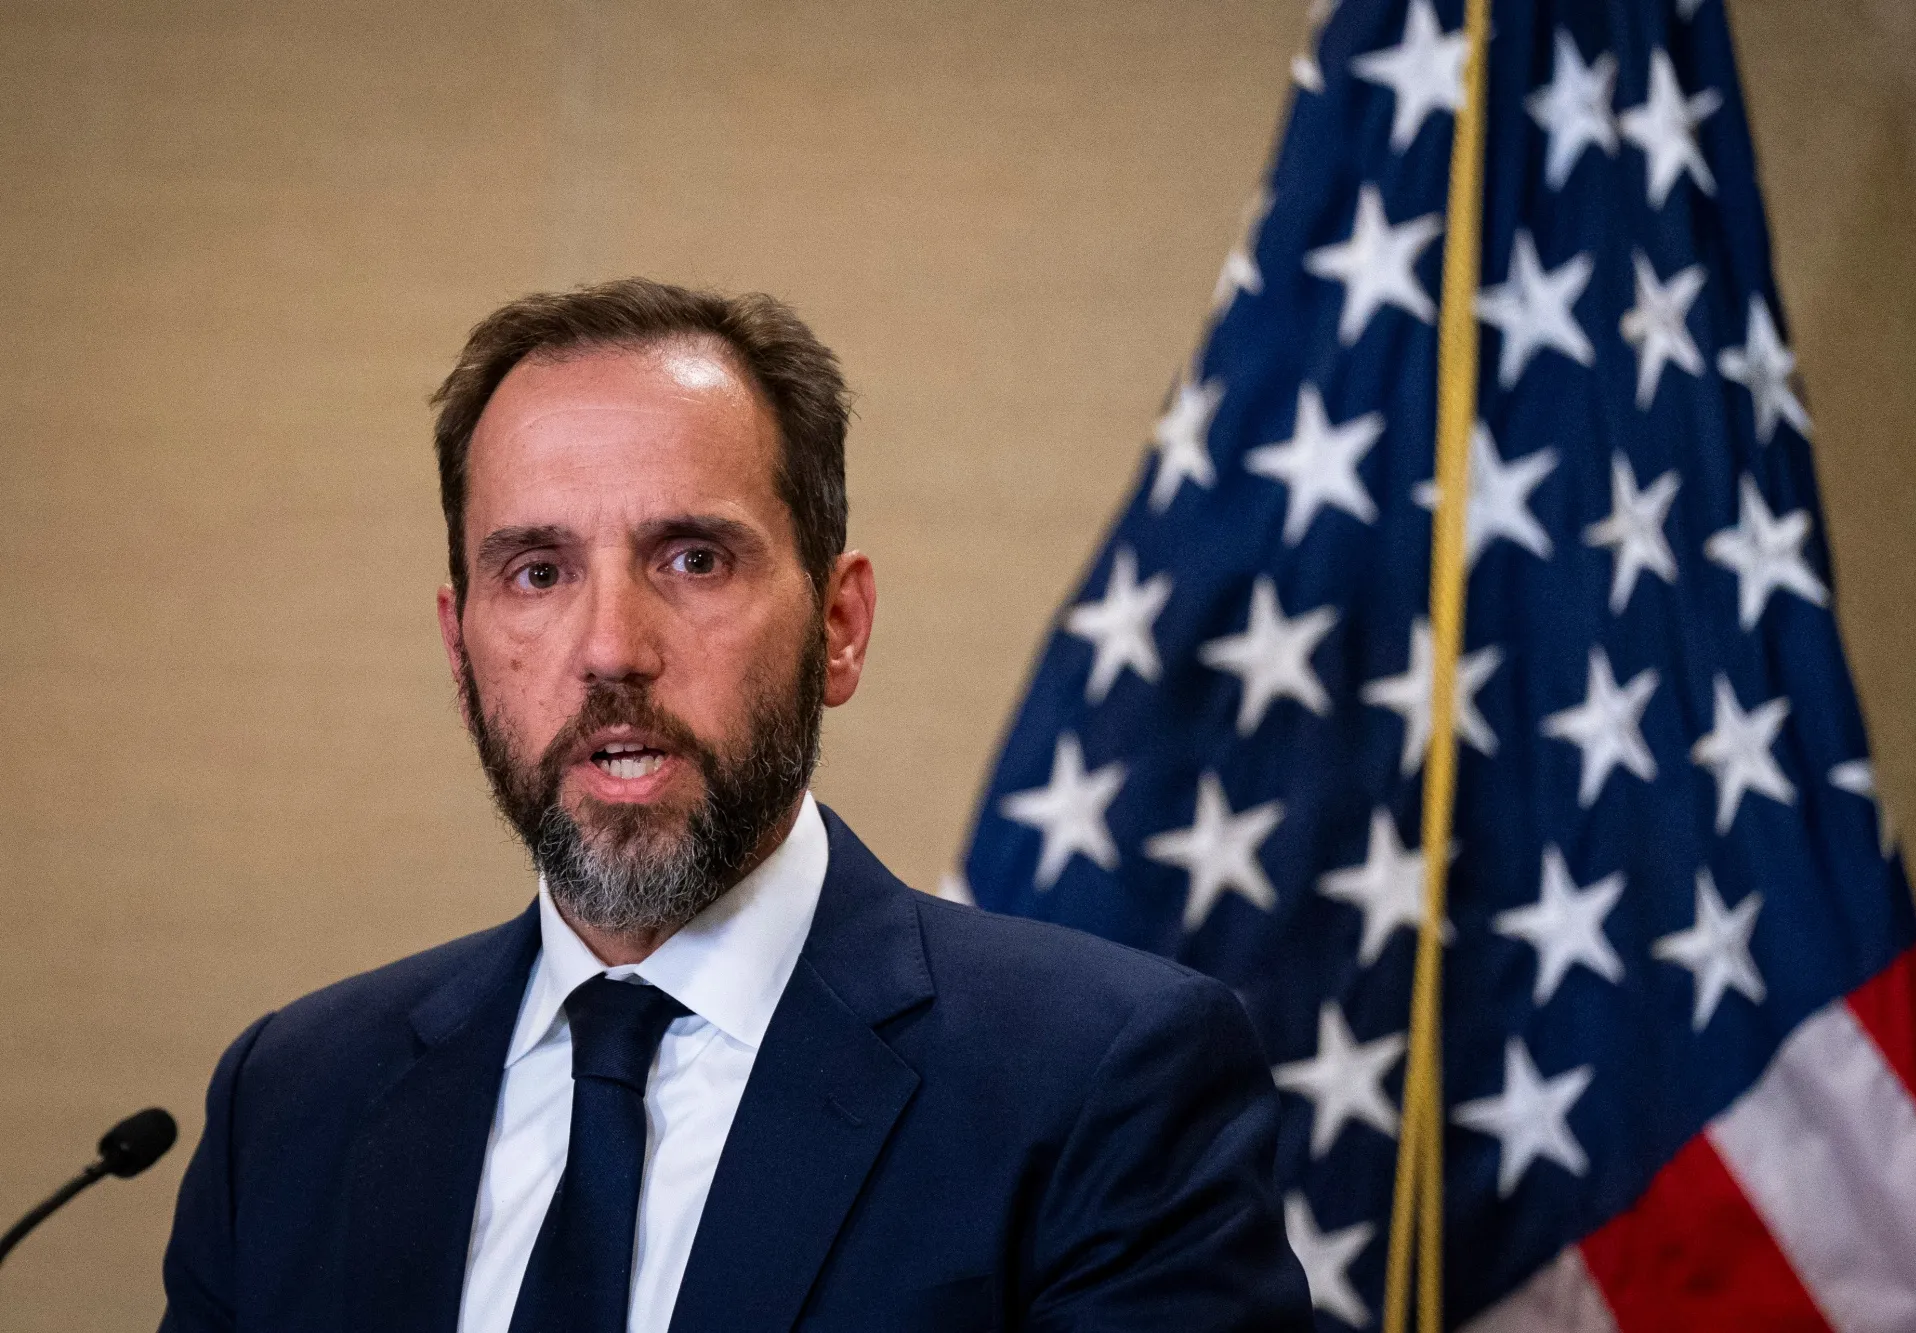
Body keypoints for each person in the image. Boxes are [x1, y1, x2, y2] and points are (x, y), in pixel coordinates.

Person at [159, 279, 1313, 1332]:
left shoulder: (1099, 1078)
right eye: (537, 573)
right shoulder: (291, 1100)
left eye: (692, 559)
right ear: (461, 656)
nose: (611, 648)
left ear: (839, 628)